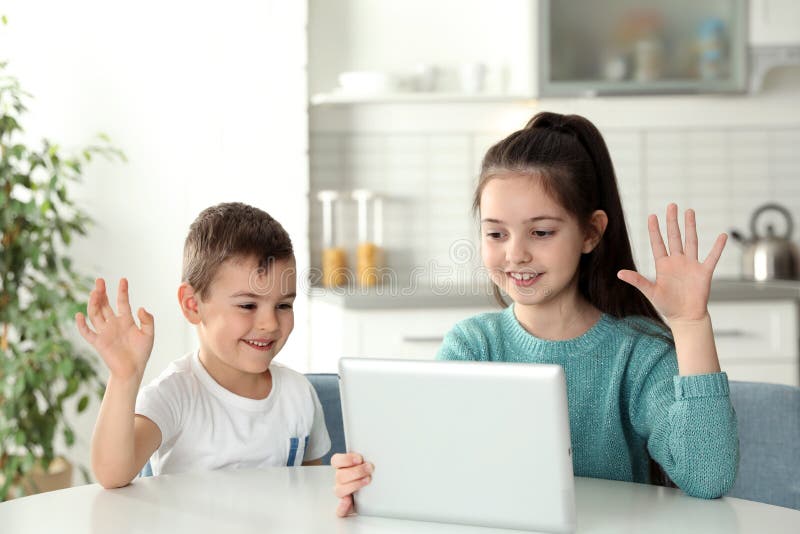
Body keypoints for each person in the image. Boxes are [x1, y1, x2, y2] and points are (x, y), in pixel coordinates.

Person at [331, 112, 738, 517]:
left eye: (541, 232)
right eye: (496, 233)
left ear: (591, 232)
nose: (515, 253)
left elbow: (707, 477)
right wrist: (368, 482)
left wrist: (689, 326)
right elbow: (439, 468)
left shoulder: (637, 353)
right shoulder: (474, 346)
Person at [76, 202, 330, 489]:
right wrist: (124, 378)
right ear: (192, 304)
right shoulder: (175, 394)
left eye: (284, 305)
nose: (270, 323)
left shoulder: (299, 395)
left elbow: (313, 491)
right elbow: (112, 473)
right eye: (248, 305)